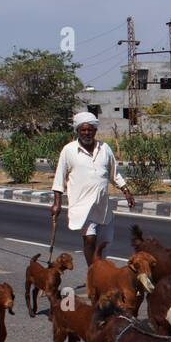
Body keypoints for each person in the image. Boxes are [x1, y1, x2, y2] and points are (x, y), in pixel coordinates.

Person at [51, 111, 135, 266]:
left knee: (104, 244)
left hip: (102, 206)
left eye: (90, 129)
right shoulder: (68, 150)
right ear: (77, 131)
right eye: (83, 130)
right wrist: (57, 203)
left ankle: (100, 274)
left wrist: (126, 191)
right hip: (82, 206)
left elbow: (113, 173)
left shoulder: (105, 149)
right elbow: (59, 177)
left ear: (95, 131)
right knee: (90, 239)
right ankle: (93, 273)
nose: (87, 133)